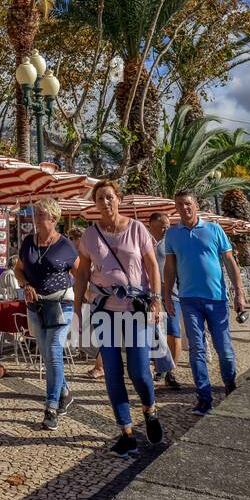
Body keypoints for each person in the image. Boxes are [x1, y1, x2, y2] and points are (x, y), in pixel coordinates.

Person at [74, 180, 163, 458]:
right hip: (104, 310)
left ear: (118, 199)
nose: (106, 202)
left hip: (135, 309)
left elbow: (151, 265)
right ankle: (126, 432)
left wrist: (157, 298)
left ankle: (149, 410)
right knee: (112, 372)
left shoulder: (137, 229)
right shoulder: (90, 235)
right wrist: (78, 307)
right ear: (96, 204)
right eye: (100, 198)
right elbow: (82, 274)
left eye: (110, 197)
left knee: (138, 370)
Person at [163, 191, 246, 417]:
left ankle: (230, 385)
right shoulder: (172, 234)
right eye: (180, 204)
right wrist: (167, 295)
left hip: (217, 299)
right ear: (176, 208)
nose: (184, 208)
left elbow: (230, 261)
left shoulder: (214, 230)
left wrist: (239, 292)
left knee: (225, 351)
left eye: (188, 203)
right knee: (197, 350)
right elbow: (169, 268)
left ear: (196, 205)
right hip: (188, 300)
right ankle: (204, 398)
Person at [14, 197, 79, 429]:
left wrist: (87, 298)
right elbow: (19, 269)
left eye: (40, 214)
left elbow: (81, 274)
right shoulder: (28, 242)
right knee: (47, 355)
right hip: (35, 306)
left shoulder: (65, 246)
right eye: (36, 214)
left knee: (53, 352)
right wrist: (25, 286)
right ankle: (65, 392)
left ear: (53, 218)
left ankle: (51, 407)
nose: (36, 218)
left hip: (61, 305)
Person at [146, 211, 182, 390]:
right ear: (150, 225)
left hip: (172, 294)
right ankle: (161, 367)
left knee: (174, 333)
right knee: (155, 333)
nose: (166, 228)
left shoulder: (171, 242)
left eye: (167, 225)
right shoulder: (147, 243)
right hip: (152, 296)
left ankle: (171, 372)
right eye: (162, 226)